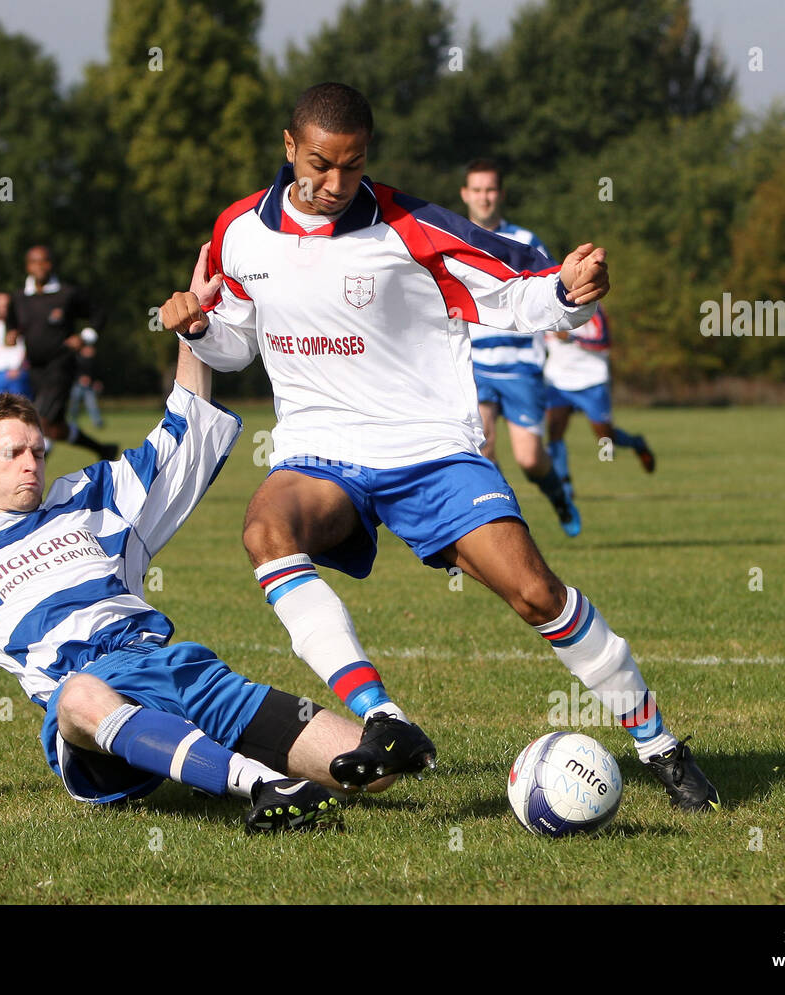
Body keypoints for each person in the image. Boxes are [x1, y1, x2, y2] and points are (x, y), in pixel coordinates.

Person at [159, 83, 718, 812]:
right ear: (289, 146)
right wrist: (199, 328)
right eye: (321, 165)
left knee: (536, 593)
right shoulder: (238, 230)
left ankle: (660, 747)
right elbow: (237, 344)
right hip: (319, 449)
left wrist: (571, 292)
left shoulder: (410, 225)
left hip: (427, 448)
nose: (335, 184)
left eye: (353, 167)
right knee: (265, 530)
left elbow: (513, 286)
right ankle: (385, 717)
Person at [0, 342, 393, 833]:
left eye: (38, 450)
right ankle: (257, 786)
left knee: (368, 771)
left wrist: (193, 328)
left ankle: (251, 762)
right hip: (89, 707)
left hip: (179, 668)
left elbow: (183, 431)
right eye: (14, 453)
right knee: (79, 695)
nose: (32, 463)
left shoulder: (89, 500)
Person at [460, 158, 580, 536]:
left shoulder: (525, 242)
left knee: (529, 459)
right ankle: (499, 529)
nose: (484, 197)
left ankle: (558, 494)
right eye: (477, 190)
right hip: (474, 364)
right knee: (483, 452)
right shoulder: (454, 239)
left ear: (501, 194)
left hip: (521, 365)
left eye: (490, 190)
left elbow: (554, 287)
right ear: (466, 194)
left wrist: (562, 318)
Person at [8, 245, 116, 461]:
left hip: (61, 364)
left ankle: (28, 473)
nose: (40, 266)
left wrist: (85, 336)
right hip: (35, 368)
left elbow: (98, 313)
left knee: (38, 418)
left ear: (52, 264)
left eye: (45, 261)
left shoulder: (67, 294)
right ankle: (103, 450)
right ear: (27, 266)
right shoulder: (19, 298)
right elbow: (12, 323)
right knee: (55, 428)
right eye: (35, 262)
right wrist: (12, 333)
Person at [543, 306, 655, 499]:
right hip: (557, 380)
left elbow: (603, 341)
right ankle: (564, 487)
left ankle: (636, 443)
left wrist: (571, 338)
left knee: (605, 437)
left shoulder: (593, 309)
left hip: (590, 380)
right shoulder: (547, 307)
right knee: (554, 432)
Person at [69, 327, 106, 430]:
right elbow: (72, 368)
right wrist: (79, 378)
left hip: (89, 385)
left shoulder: (92, 354)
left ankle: (98, 423)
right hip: (77, 383)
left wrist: (95, 380)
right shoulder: (76, 353)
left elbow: (95, 369)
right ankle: (72, 423)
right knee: (74, 405)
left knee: (92, 404)